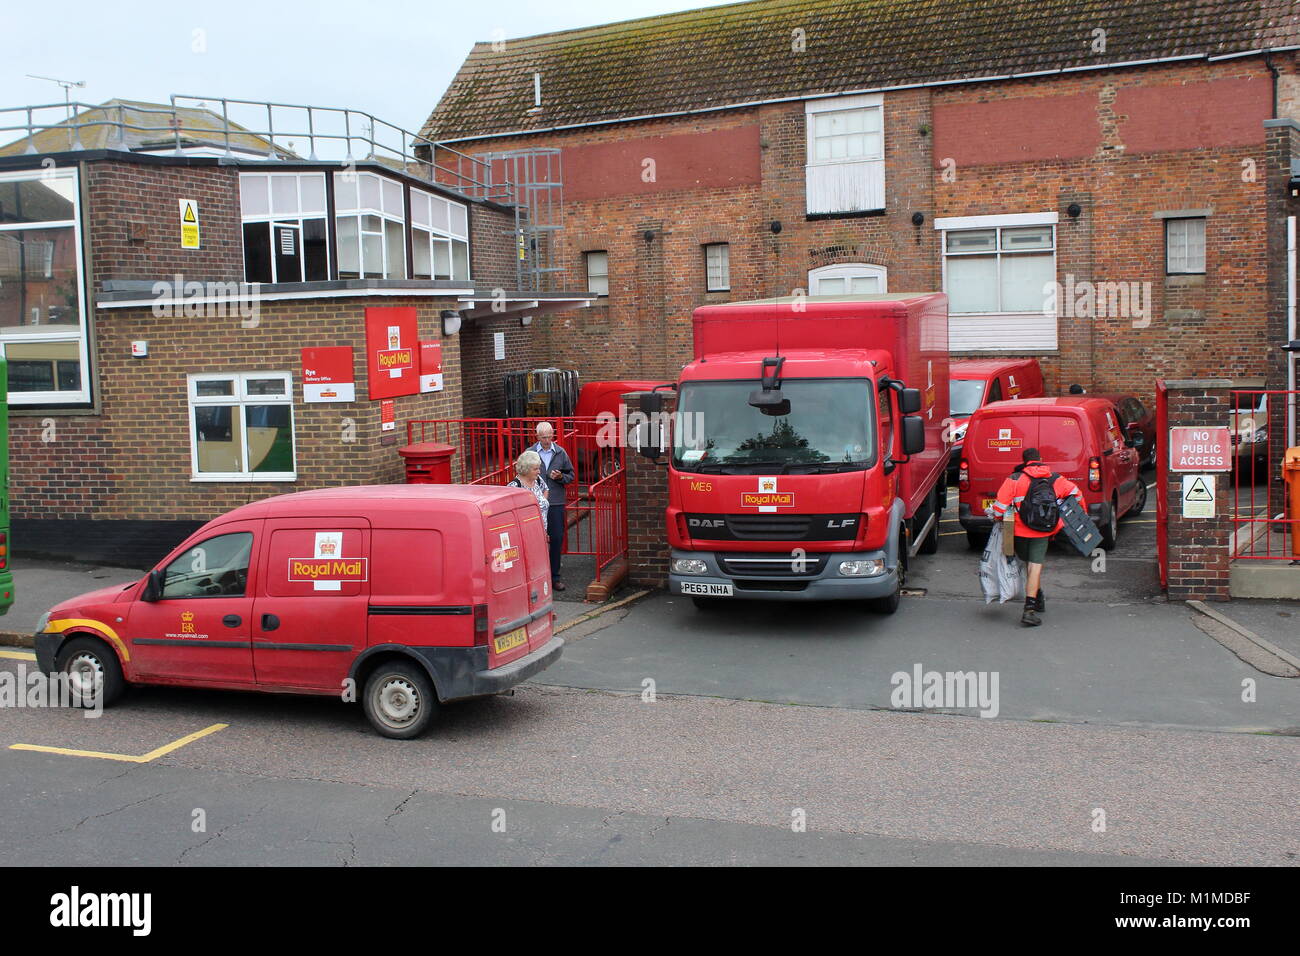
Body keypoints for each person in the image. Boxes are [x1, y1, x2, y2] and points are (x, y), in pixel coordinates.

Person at [988, 448, 1083, 627]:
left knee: (1028, 563)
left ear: (1024, 462)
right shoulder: (1055, 479)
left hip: (1018, 531)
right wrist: (1061, 516)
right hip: (1044, 530)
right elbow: (1077, 495)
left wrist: (999, 517)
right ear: (1041, 459)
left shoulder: (1014, 479)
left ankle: (1035, 600)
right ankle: (1030, 608)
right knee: (1035, 565)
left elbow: (999, 509)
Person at [531, 422, 576, 590]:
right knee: (536, 540)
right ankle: (537, 577)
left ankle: (555, 577)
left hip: (555, 501)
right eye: (544, 437)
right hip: (535, 503)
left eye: (550, 436)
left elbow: (571, 475)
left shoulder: (560, 452)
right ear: (537, 437)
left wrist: (560, 478)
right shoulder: (530, 453)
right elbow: (521, 474)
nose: (547, 440)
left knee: (556, 538)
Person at [507, 449, 549, 533]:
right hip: (525, 533)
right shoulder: (514, 487)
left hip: (542, 531)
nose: (539, 471)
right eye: (535, 469)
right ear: (526, 470)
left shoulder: (537, 480)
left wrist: (543, 501)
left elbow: (546, 489)